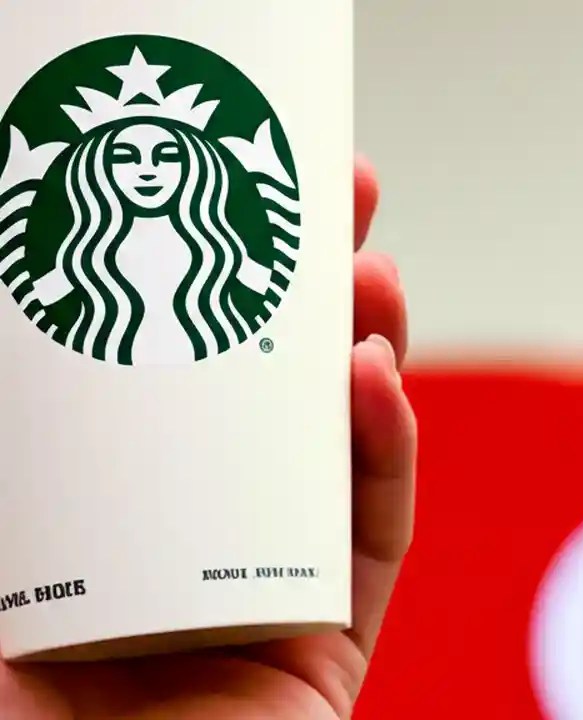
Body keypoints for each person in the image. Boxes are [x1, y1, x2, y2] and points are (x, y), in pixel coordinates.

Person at [0, 157, 416, 719]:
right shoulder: (69, 271)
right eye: (124, 157)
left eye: (166, 155)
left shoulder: (223, 267)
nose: (146, 172)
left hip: (269, 596)